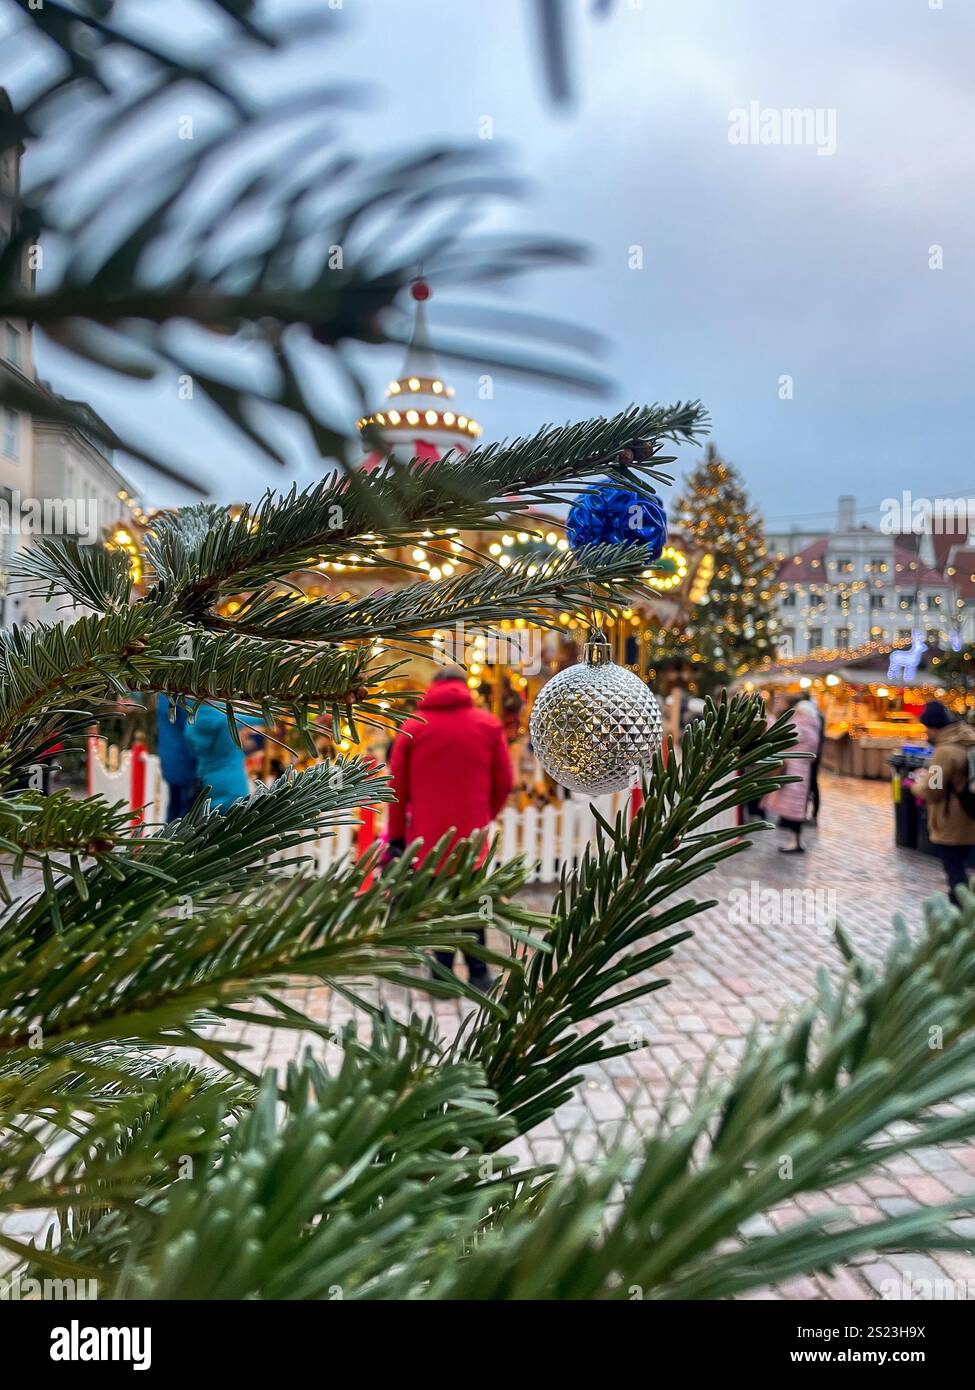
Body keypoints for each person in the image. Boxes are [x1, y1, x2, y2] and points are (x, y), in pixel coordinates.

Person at [384, 666, 513, 988]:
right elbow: (505, 782)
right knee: (470, 901)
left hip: (428, 839)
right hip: (472, 834)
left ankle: (441, 975)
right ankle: (479, 972)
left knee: (437, 901)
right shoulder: (488, 725)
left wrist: (397, 836)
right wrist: (485, 815)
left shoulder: (413, 728)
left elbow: (396, 791)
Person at [912, 700, 975, 904]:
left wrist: (916, 784)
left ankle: (962, 912)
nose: (926, 734)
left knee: (955, 873)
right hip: (970, 818)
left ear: (934, 727)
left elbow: (934, 789)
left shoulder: (945, 751)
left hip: (951, 824)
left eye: (927, 729)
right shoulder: (967, 742)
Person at [761, 696, 821, 853]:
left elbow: (784, 741)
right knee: (798, 805)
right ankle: (794, 840)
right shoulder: (814, 728)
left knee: (793, 806)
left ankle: (794, 842)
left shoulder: (799, 726)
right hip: (803, 770)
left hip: (793, 769)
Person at [184, 704, 262, 813]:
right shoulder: (225, 718)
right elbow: (258, 716)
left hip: (209, 782)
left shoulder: (190, 725)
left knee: (213, 823)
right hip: (233, 782)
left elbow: (192, 753)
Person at [155, 694, 200, 821]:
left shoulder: (164, 696)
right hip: (186, 764)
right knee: (184, 818)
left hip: (170, 761)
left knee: (174, 810)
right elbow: (194, 729)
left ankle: (166, 839)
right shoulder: (185, 699)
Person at [795, 697, 825, 824]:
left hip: (811, 761)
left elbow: (813, 742)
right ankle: (807, 813)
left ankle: (812, 814)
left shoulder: (813, 720)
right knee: (810, 787)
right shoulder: (815, 719)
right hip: (811, 759)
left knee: (811, 786)